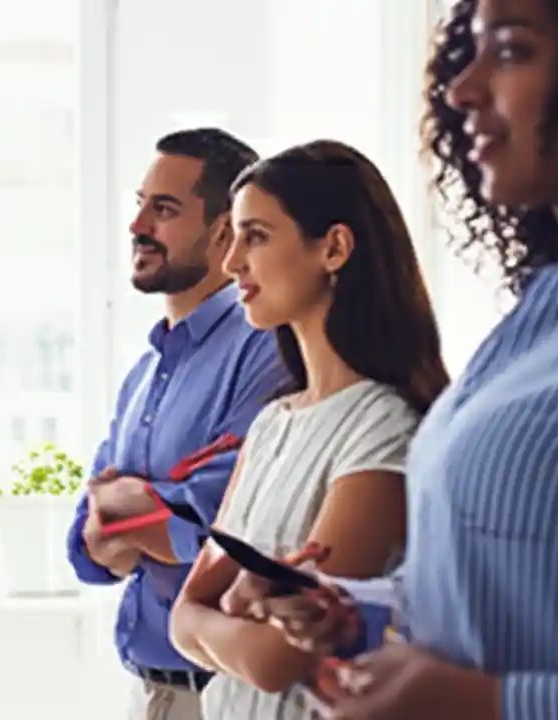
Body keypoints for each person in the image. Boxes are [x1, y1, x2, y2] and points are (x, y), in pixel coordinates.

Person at [266, 1, 558, 718]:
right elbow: (524, 595)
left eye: (511, 51)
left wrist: (496, 703)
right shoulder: (547, 318)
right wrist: (357, 612)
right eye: (469, 52)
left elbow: (489, 685)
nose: (460, 89)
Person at [168, 140, 448, 720]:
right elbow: (181, 616)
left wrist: (215, 621)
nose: (231, 262)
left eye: (256, 236)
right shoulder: (271, 425)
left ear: (335, 248)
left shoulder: (384, 430)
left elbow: (277, 659)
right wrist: (228, 624)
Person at [66, 128, 287, 720]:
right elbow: (86, 545)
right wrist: (137, 515)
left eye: (163, 209)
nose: (138, 225)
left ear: (224, 231)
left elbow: (224, 522)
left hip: (218, 697)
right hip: (146, 693)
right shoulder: (145, 371)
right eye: (141, 203)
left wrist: (130, 513)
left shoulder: (264, 349)